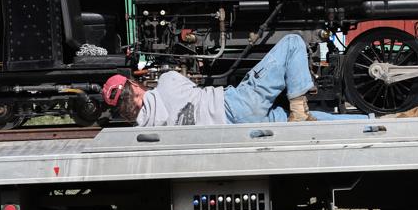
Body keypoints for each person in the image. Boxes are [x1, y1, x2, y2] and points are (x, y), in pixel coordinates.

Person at [103, 34, 370, 126]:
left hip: (235, 126)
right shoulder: (167, 82)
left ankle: (368, 122)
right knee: (291, 43)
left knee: (299, 123)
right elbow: (195, 84)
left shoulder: (147, 130)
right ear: (135, 87)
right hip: (235, 105)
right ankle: (303, 109)